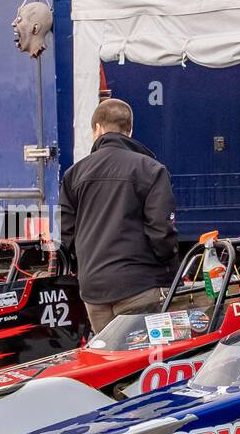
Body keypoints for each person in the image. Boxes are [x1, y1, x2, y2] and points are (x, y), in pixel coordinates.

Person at [59, 98, 179, 333]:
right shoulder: (151, 169)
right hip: (141, 285)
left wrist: (87, 266)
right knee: (145, 359)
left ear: (98, 129)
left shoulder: (74, 175)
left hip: (94, 291)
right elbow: (161, 230)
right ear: (129, 130)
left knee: (110, 364)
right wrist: (167, 271)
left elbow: (66, 234)